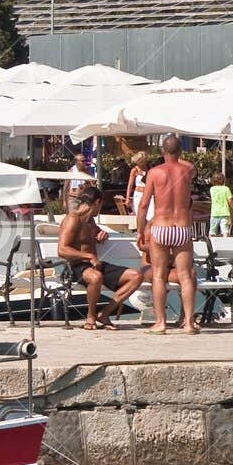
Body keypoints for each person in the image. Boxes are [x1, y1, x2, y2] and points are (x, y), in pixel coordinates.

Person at [136, 134, 199, 335]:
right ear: (180, 152)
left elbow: (144, 205)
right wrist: (178, 157)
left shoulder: (154, 172)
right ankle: (188, 323)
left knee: (158, 275)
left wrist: (140, 230)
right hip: (181, 228)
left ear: (162, 152)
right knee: (186, 276)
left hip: (160, 227)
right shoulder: (187, 170)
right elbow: (190, 165)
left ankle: (160, 322)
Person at [58, 188, 143, 329]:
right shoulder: (73, 219)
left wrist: (102, 234)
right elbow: (62, 249)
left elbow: (95, 234)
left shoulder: (90, 220)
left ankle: (104, 314)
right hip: (76, 267)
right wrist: (89, 256)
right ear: (97, 202)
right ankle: (90, 317)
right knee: (96, 277)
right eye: (101, 204)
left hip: (95, 265)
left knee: (136, 276)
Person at [208, 172, 233, 237]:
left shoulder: (212, 189)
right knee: (225, 230)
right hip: (225, 212)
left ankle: (210, 242)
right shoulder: (226, 189)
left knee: (212, 230)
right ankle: (225, 242)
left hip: (214, 212)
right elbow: (230, 200)